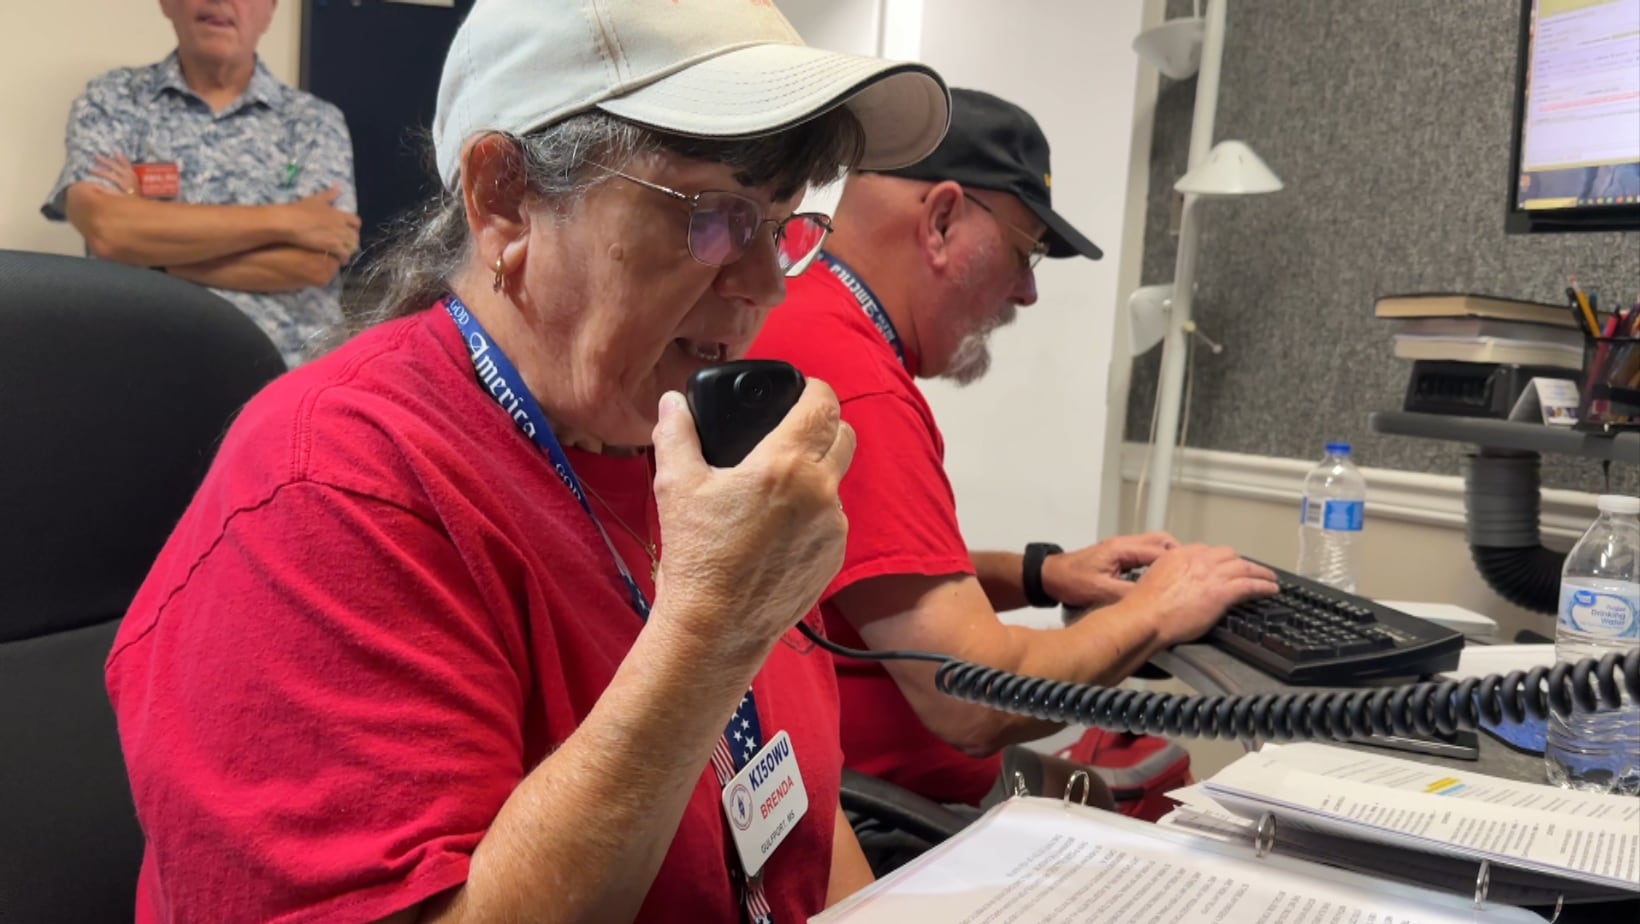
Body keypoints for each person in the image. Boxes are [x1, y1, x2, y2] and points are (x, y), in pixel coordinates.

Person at [105, 0, 949, 920]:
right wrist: (709, 634)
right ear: (504, 197)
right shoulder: (332, 487)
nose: (766, 286)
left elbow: (795, 827)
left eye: (783, 224)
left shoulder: (698, 454)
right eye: (714, 216)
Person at [748, 88, 1278, 810]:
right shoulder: (854, 389)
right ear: (939, 221)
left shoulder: (800, 294)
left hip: (870, 785)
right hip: (897, 814)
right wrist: (1157, 610)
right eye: (1025, 253)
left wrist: (1039, 574)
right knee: (1172, 796)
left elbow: (862, 580)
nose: (1026, 292)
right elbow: (973, 704)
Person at [42, 0, 359, 367]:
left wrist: (151, 252)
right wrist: (289, 220)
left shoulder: (316, 122)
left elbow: (313, 264)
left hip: (286, 373)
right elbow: (108, 230)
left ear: (270, 9)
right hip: (139, 362)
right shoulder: (111, 100)